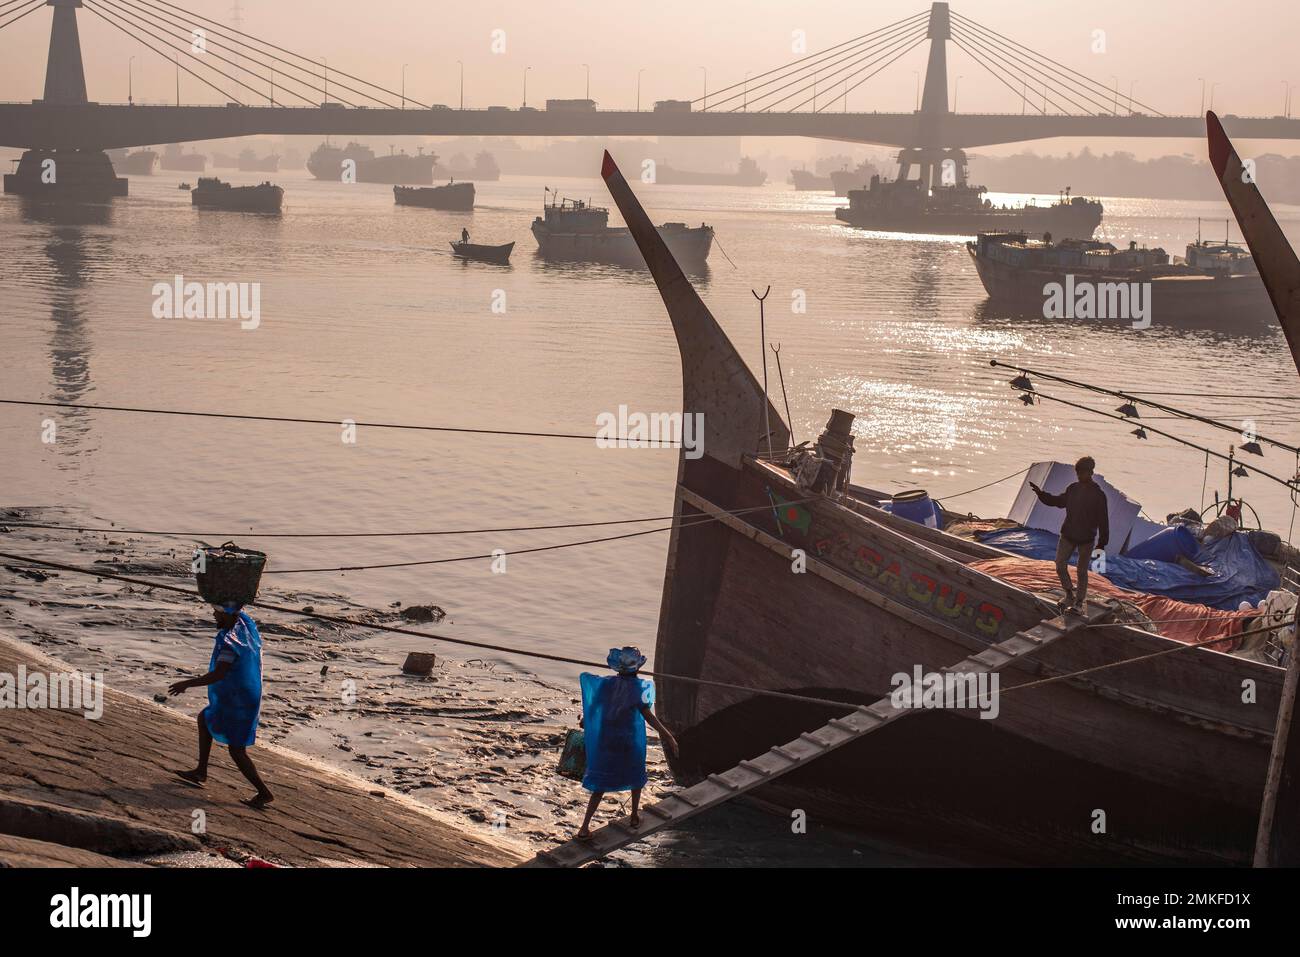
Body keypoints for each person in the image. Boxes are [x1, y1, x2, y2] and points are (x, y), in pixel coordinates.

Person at [170, 603, 274, 808]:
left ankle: (264, 792)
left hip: (238, 701)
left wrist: (186, 683)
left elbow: (218, 674)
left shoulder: (231, 644)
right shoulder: (243, 631)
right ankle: (201, 771)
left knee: (236, 750)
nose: (214, 616)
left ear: (228, 617)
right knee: (205, 718)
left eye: (217, 613)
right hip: (240, 697)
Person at [575, 647, 677, 841]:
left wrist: (585, 720)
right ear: (637, 669)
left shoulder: (606, 685)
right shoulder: (638, 689)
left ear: (618, 669)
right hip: (628, 739)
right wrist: (668, 736)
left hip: (607, 739)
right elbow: (649, 717)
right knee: (635, 776)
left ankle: (584, 827)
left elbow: (594, 707)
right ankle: (634, 816)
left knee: (600, 783)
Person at [1030, 456, 1109, 614]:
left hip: (1086, 539)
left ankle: (1079, 603)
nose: (1079, 476)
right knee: (1059, 565)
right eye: (1077, 473)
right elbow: (1058, 501)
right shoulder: (1073, 488)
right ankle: (1068, 594)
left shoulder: (1099, 495)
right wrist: (1041, 494)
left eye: (1082, 473)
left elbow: (1103, 521)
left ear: (1091, 472)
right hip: (1068, 535)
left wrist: (1102, 543)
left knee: (1081, 571)